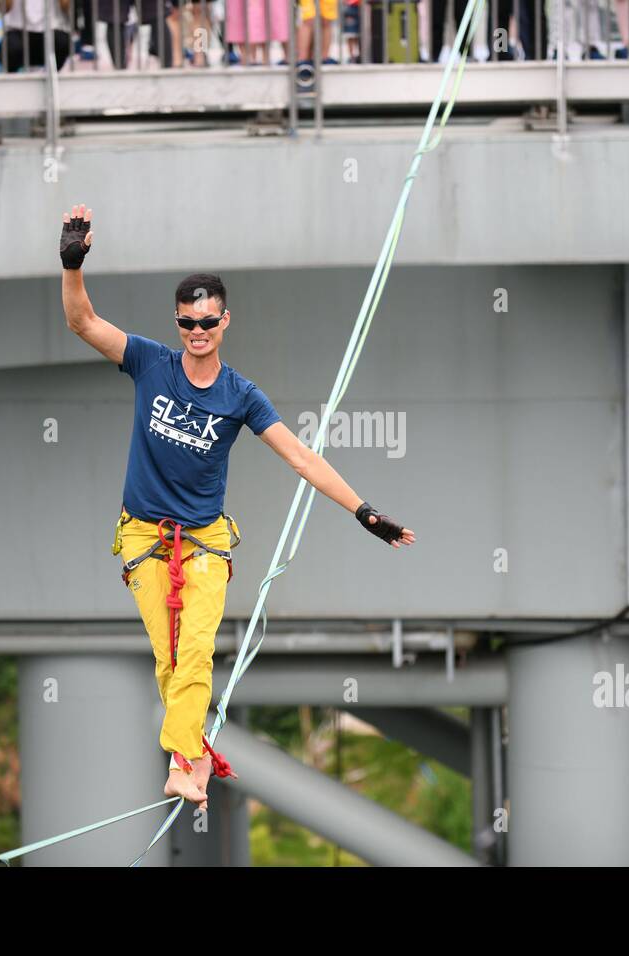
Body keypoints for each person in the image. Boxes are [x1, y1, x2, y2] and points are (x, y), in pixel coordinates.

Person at [58, 204, 416, 809]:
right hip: (145, 539)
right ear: (177, 325)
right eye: (186, 323)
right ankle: (189, 760)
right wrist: (72, 263)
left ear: (226, 321)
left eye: (207, 322)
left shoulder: (240, 396)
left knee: (194, 651)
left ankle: (184, 766)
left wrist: (364, 512)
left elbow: (302, 458)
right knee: (172, 659)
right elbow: (82, 321)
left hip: (204, 543)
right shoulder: (150, 363)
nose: (197, 332)